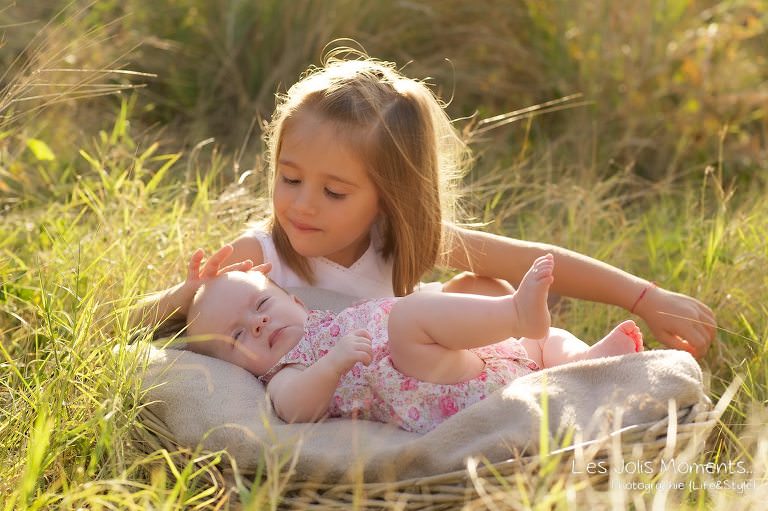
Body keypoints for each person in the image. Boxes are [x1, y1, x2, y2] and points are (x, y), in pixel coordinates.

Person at [135, 51, 716, 357]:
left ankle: (570, 362)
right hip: (328, 387)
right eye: (288, 179)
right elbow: (121, 325)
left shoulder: (404, 236)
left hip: (411, 366)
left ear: (389, 198)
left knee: (489, 289)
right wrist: (184, 297)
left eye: (334, 191)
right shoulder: (256, 256)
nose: (302, 205)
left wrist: (645, 295)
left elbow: (537, 259)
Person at [184, 254, 644, 433]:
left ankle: (583, 362)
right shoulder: (285, 374)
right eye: (238, 335)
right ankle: (516, 314)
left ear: (295, 299)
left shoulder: (331, 315)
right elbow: (294, 408)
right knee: (407, 320)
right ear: (238, 366)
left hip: (469, 358)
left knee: (523, 326)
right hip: (434, 389)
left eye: (260, 303)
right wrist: (333, 365)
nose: (258, 323)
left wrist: (446, 297)